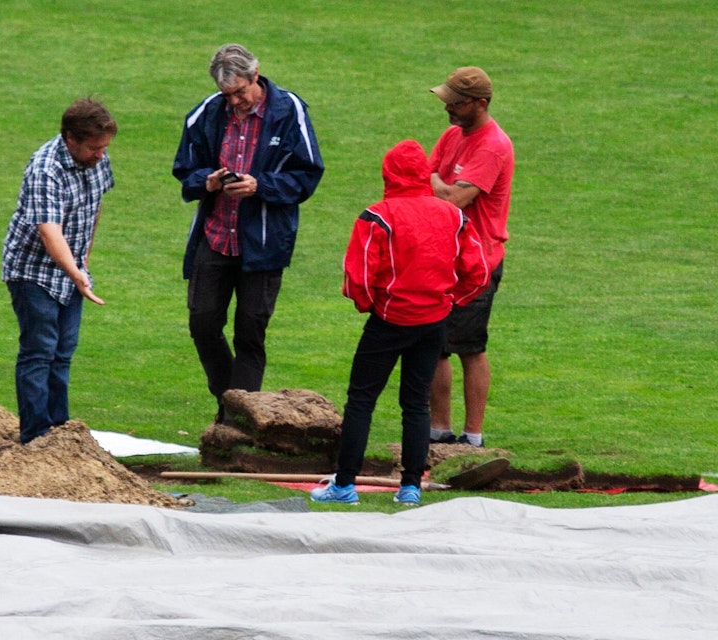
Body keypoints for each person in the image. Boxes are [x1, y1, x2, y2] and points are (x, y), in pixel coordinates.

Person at [311, 140, 490, 506]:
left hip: (388, 320)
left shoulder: (377, 215)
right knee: (416, 405)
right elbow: (477, 270)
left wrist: (372, 305)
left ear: (387, 173)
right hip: (433, 321)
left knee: (361, 401)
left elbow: (357, 276)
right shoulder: (452, 215)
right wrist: (450, 299)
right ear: (424, 172)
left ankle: (344, 485)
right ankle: (410, 487)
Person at [172, 44, 324, 425]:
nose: (236, 102)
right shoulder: (206, 113)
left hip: (265, 242)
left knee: (250, 334)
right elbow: (184, 170)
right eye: (229, 95)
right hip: (216, 236)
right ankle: (233, 406)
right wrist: (205, 182)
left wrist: (261, 186)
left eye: (241, 92)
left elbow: (308, 176)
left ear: (257, 75)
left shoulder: (289, 111)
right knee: (203, 323)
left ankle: (237, 423)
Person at [2, 98, 117, 444]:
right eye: (94, 148)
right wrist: (76, 271)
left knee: (63, 351)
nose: (101, 155)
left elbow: (95, 206)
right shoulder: (45, 169)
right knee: (40, 350)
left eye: (104, 148)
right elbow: (49, 232)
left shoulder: (97, 157)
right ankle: (36, 436)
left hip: (71, 270)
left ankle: (60, 433)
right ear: (71, 139)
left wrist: (84, 262)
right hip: (33, 271)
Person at [426, 66, 515, 447]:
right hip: (444, 255)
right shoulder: (452, 135)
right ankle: (439, 431)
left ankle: (473, 436)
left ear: (480, 103)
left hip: (477, 262)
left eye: (455, 103)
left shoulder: (493, 144)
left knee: (470, 347)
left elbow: (453, 199)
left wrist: (429, 179)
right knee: (434, 344)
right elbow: (427, 182)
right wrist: (433, 181)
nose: (447, 108)